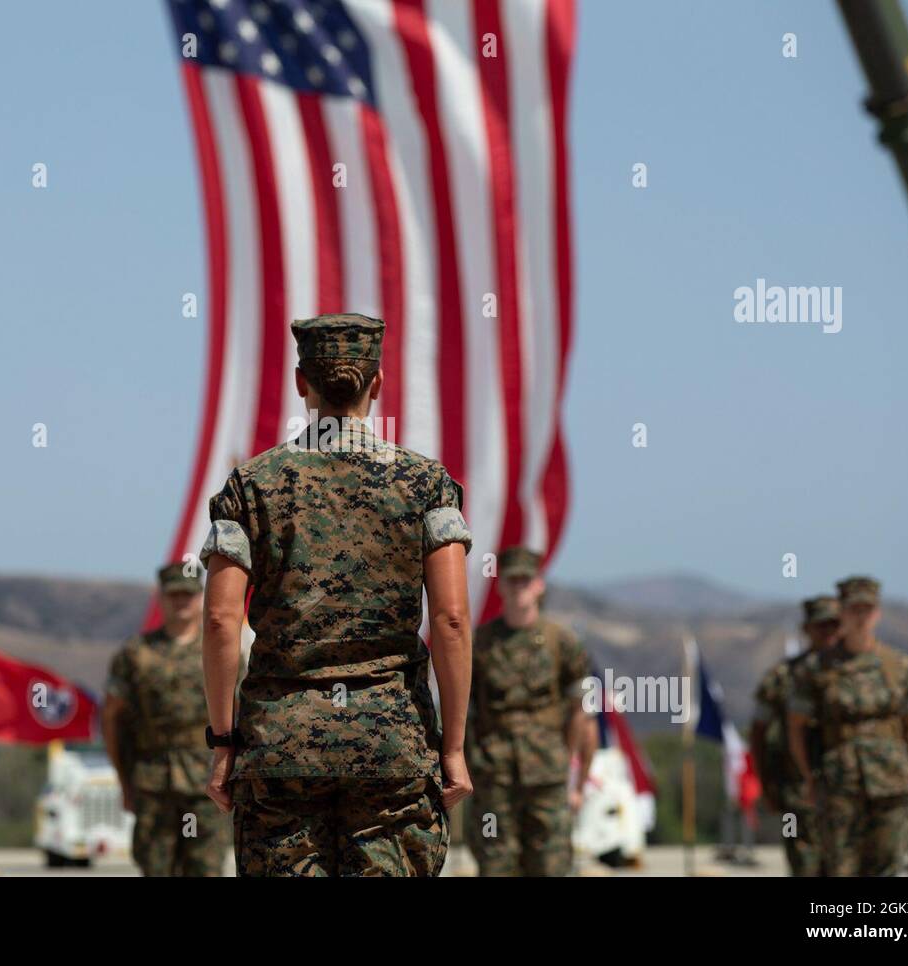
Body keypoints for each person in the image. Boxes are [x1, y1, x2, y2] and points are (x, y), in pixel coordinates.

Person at [199, 312, 474, 877]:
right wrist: (452, 749)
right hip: (391, 747)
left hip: (281, 749)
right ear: (378, 384)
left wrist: (223, 742)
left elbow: (222, 622)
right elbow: (450, 619)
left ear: (302, 383)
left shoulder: (251, 487)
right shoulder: (425, 485)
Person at [465, 546, 593, 876]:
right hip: (494, 777)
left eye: (527, 580)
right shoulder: (481, 643)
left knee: (550, 865)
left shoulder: (561, 642)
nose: (520, 587)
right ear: (502, 586)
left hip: (546, 777)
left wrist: (575, 773)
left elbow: (581, 711)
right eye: (513, 580)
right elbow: (465, 709)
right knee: (494, 862)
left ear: (539, 585)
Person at [788, 576, 908, 876]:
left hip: (891, 780)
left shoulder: (899, 667)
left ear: (877, 613)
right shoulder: (816, 669)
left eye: (867, 609)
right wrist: (809, 778)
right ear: (843, 612)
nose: (861, 617)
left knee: (888, 864)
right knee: (841, 868)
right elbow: (796, 726)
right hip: (839, 782)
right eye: (854, 609)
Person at [102, 562, 231, 876]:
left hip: (205, 779)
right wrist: (123, 780)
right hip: (153, 781)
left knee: (206, 869)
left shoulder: (219, 650)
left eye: (187, 594)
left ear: (200, 596)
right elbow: (111, 716)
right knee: (155, 868)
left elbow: (239, 708)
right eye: (174, 595)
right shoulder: (136, 653)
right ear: (161, 597)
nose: (181, 602)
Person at [750, 595, 839, 876]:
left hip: (847, 785)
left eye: (834, 625)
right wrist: (765, 784)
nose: (828, 633)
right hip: (796, 789)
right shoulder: (783, 676)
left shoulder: (855, 674)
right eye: (820, 626)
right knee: (805, 865)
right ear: (807, 629)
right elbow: (758, 732)